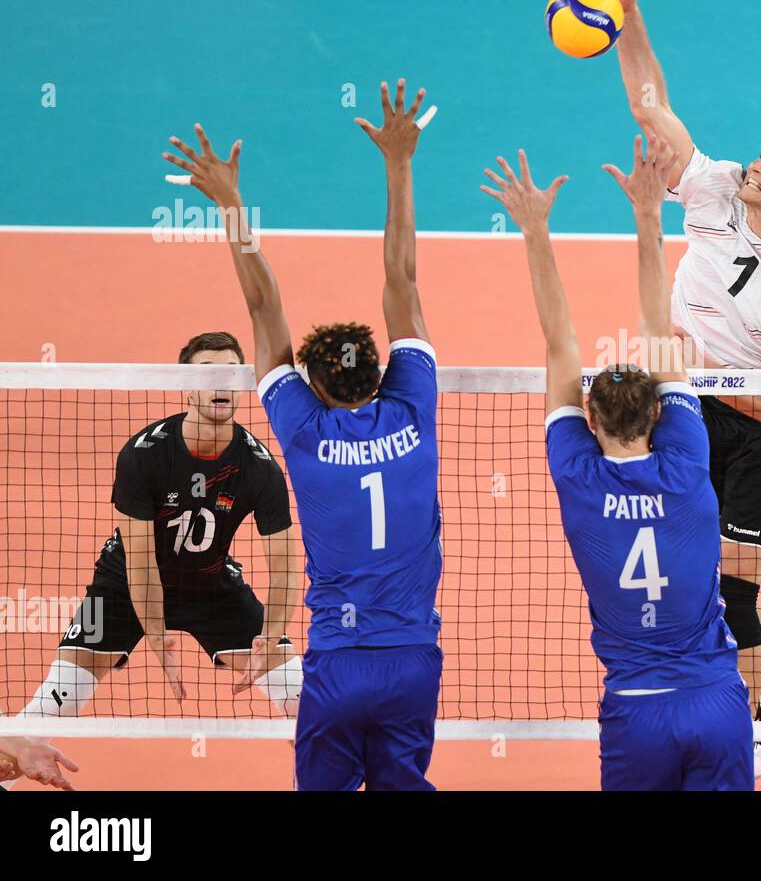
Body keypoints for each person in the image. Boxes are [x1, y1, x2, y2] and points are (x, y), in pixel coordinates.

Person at [577, 0, 761, 775]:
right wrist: (630, 15)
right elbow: (649, 106)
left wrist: (688, 372)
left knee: (732, 593)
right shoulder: (717, 192)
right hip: (694, 401)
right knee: (692, 581)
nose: (756, 166)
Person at [163, 80, 442, 790]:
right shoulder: (412, 408)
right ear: (383, 372)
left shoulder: (303, 428)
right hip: (412, 660)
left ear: (312, 384)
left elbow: (263, 303)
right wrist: (400, 162)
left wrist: (230, 202)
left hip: (339, 664)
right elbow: (402, 279)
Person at [480, 132, 754, 790]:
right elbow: (660, 331)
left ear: (590, 420)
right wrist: (645, 213)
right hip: (718, 701)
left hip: (637, 713)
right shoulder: (688, 459)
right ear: (660, 413)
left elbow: (559, 345)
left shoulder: (577, 476)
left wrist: (536, 231)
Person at [16, 332, 301, 726]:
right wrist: (153, 631)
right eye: (206, 373)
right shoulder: (143, 455)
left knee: (303, 700)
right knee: (55, 702)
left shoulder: (261, 468)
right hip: (123, 582)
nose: (221, 383)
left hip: (212, 585)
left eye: (232, 374)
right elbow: (141, 561)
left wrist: (269, 639)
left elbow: (286, 570)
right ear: (184, 385)